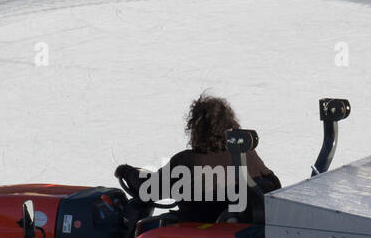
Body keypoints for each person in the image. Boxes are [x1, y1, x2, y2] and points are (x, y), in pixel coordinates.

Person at [119, 93, 281, 223]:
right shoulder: (248, 155)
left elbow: (148, 189)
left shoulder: (189, 162)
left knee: (145, 227)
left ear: (195, 129)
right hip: (239, 235)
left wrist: (126, 172)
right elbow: (274, 187)